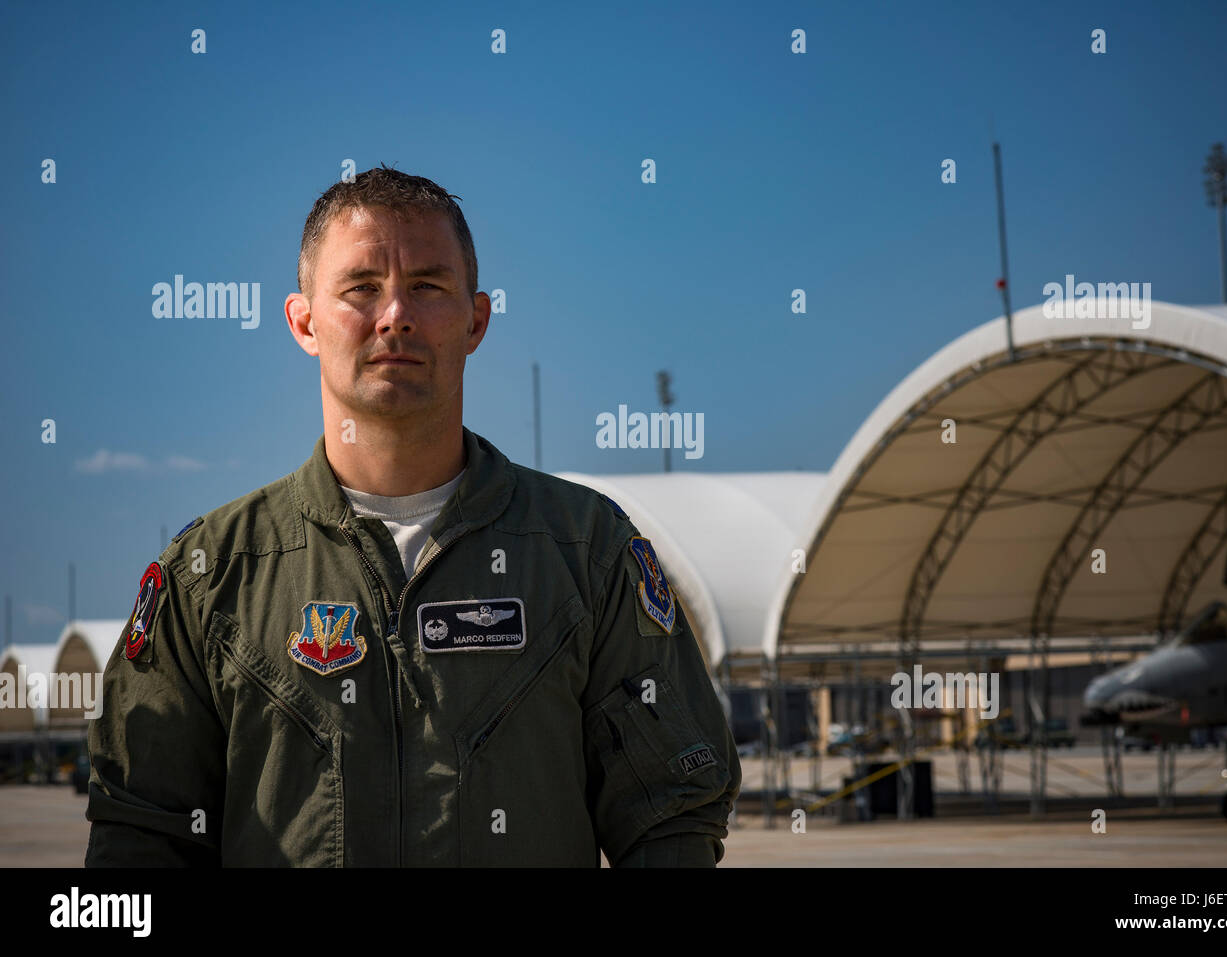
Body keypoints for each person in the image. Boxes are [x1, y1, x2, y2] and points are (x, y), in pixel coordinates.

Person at [85, 165, 740, 867]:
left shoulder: (588, 551)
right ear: (303, 321)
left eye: (427, 286)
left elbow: (671, 817)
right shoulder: (207, 576)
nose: (394, 314)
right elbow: (141, 838)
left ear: (476, 320)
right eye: (361, 288)